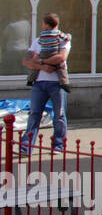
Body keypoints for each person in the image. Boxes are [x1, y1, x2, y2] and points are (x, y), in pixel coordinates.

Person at [19, 13, 70, 156]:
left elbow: (61, 58)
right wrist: (42, 66)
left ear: (47, 24)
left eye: (43, 23)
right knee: (34, 114)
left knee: (59, 115)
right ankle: (26, 147)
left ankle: (58, 146)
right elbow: (26, 60)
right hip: (39, 83)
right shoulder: (38, 40)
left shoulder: (63, 39)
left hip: (57, 84)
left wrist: (39, 60)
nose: (42, 26)